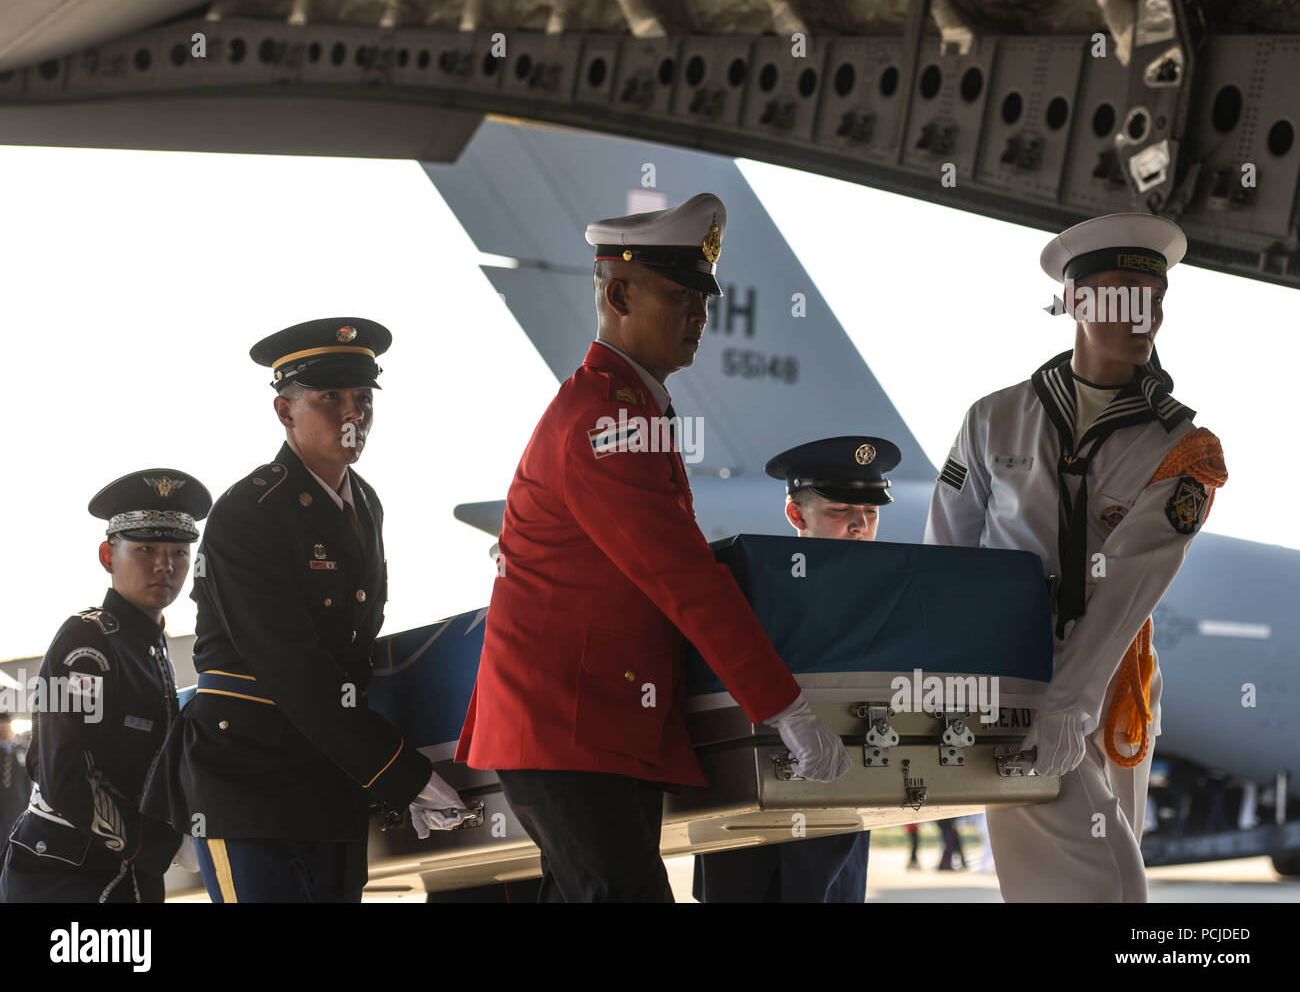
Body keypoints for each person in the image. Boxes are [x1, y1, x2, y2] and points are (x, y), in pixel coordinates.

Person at [454, 193, 851, 902]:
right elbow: (683, 577)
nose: (698, 315)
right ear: (616, 294)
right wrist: (784, 707)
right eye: (678, 295)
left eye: (703, 299)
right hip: (568, 735)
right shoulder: (605, 420)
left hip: (587, 734)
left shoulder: (628, 409)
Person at [924, 212, 1227, 902]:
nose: (1145, 314)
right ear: (1080, 303)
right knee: (1100, 888)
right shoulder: (993, 419)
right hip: (1006, 677)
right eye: (1125, 295)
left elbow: (1129, 583)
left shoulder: (1182, 448)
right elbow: (945, 559)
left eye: (1156, 298)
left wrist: (1071, 704)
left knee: (1109, 865)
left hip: (1110, 679)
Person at [142, 320, 463, 903]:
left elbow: (353, 657)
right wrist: (401, 776)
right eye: (330, 398)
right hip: (249, 775)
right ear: (284, 412)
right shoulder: (249, 511)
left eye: (363, 399)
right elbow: (293, 665)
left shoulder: (366, 502)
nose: (353, 414)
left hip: (330, 775)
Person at [692, 435, 900, 902]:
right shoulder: (747, 589)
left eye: (870, 512)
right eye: (840, 511)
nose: (859, 525)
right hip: (745, 795)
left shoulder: (886, 596)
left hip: (844, 795)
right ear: (795, 515)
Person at [0, 469, 211, 903]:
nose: (165, 565)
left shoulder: (152, 647)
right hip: (64, 874)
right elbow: (60, 774)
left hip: (121, 873)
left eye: (179, 551)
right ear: (107, 555)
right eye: (146, 548)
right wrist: (160, 844)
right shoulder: (86, 640)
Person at [0, 714, 31, 842]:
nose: (6, 730)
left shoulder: (21, 750)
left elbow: (26, 779)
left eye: (8, 726)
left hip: (16, 807)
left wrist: (27, 803)